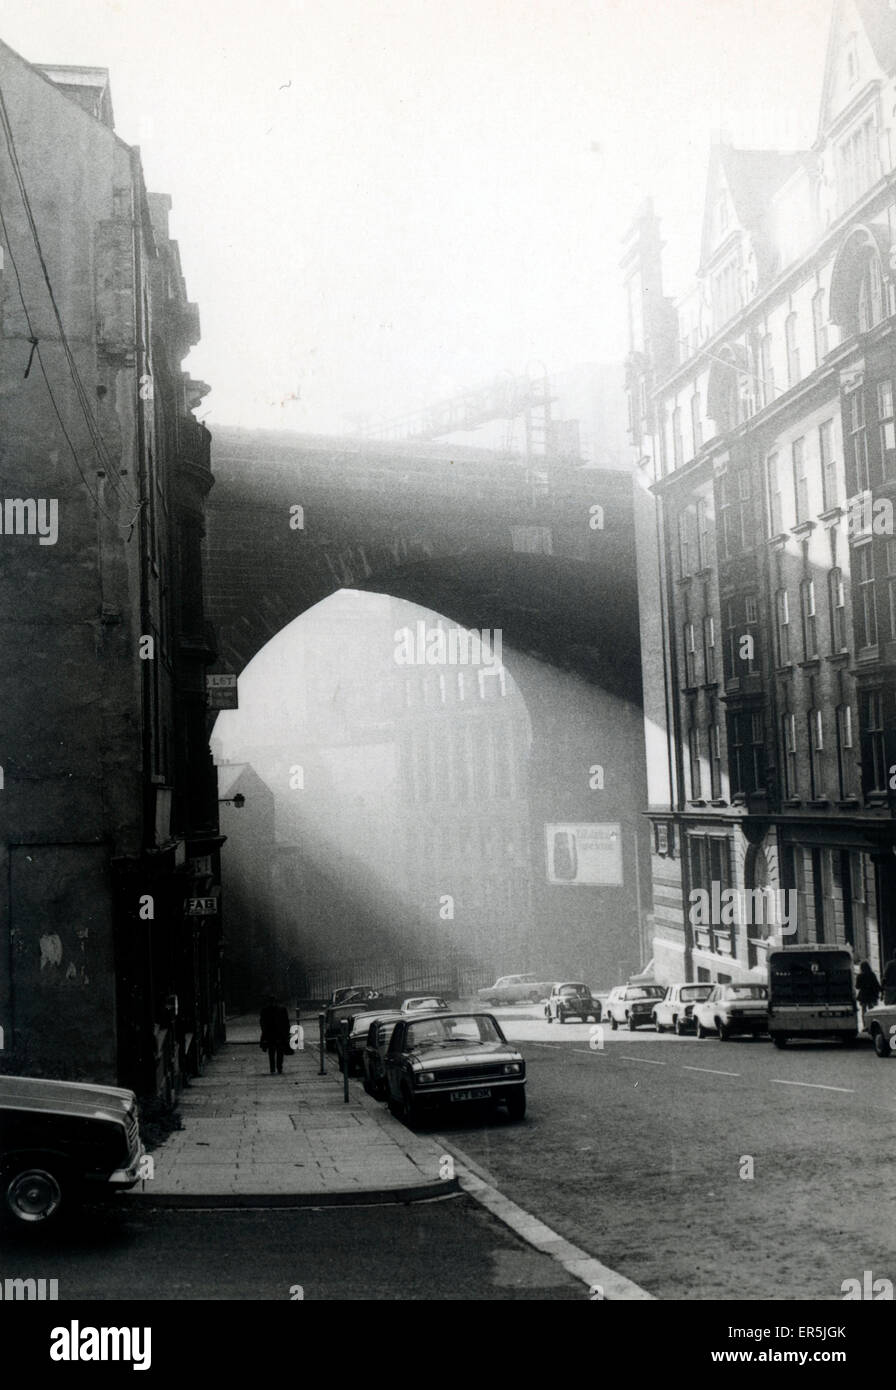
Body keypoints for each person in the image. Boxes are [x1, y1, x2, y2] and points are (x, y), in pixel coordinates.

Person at [259, 996, 291, 1074]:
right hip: (279, 1034)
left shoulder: (265, 1010)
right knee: (279, 1052)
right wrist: (287, 1033)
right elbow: (286, 1023)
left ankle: (273, 1068)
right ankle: (279, 1067)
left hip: (270, 1034)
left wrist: (264, 1033)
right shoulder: (282, 1010)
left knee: (272, 1052)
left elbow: (262, 1023)